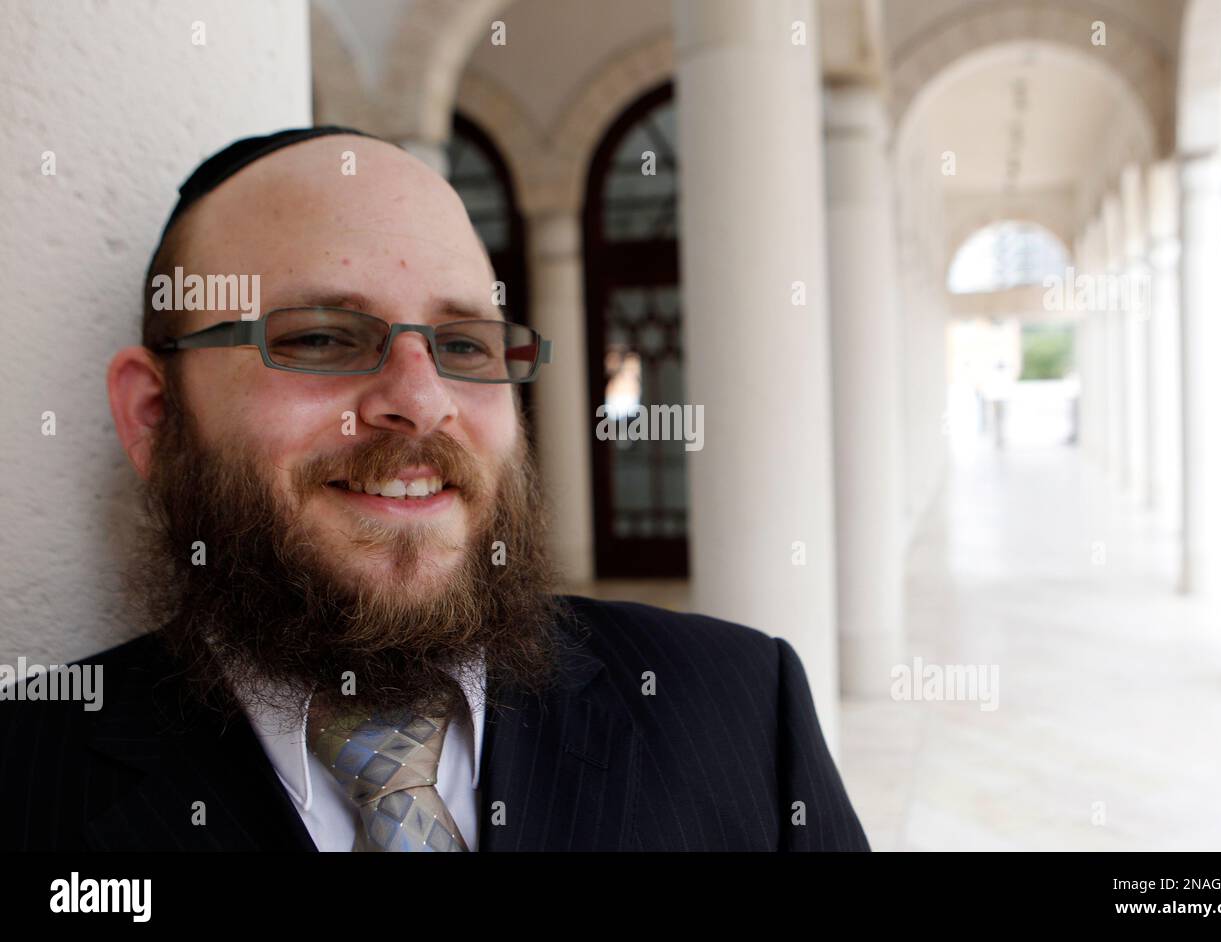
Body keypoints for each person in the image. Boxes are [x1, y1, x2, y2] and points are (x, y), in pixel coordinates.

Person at [0, 127, 870, 852]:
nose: (422, 403)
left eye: (464, 347)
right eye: (320, 340)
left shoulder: (743, 712)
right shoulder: (29, 780)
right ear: (154, 415)